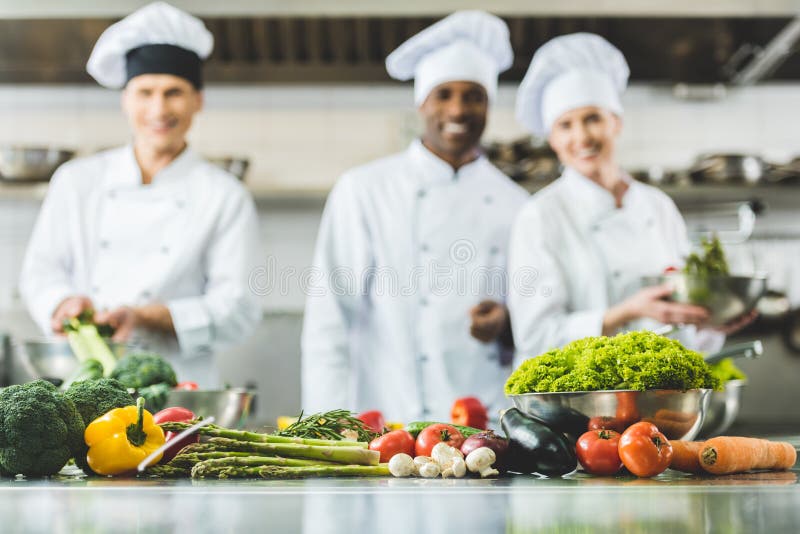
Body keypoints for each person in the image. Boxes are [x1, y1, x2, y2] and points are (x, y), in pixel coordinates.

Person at [301, 11, 529, 422]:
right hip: (386, 418)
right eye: (444, 94)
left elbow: (535, 317)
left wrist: (507, 322)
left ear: (488, 104)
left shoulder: (517, 204)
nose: (458, 109)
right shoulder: (365, 189)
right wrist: (324, 425)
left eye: (473, 95)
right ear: (422, 103)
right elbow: (329, 317)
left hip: (488, 425)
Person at [19, 2, 261, 387]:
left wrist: (145, 316)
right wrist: (63, 303)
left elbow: (238, 311)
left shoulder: (224, 195)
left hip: (183, 394)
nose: (158, 108)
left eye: (173, 92)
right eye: (145, 92)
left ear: (198, 100)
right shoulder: (76, 181)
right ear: (125, 100)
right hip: (87, 385)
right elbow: (40, 274)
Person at [508, 32, 749, 364]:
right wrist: (624, 313)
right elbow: (535, 338)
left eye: (592, 118)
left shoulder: (658, 206)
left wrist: (715, 324)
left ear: (616, 122)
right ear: (552, 139)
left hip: (657, 397)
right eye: (565, 125)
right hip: (580, 406)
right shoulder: (540, 216)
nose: (582, 136)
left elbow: (684, 334)